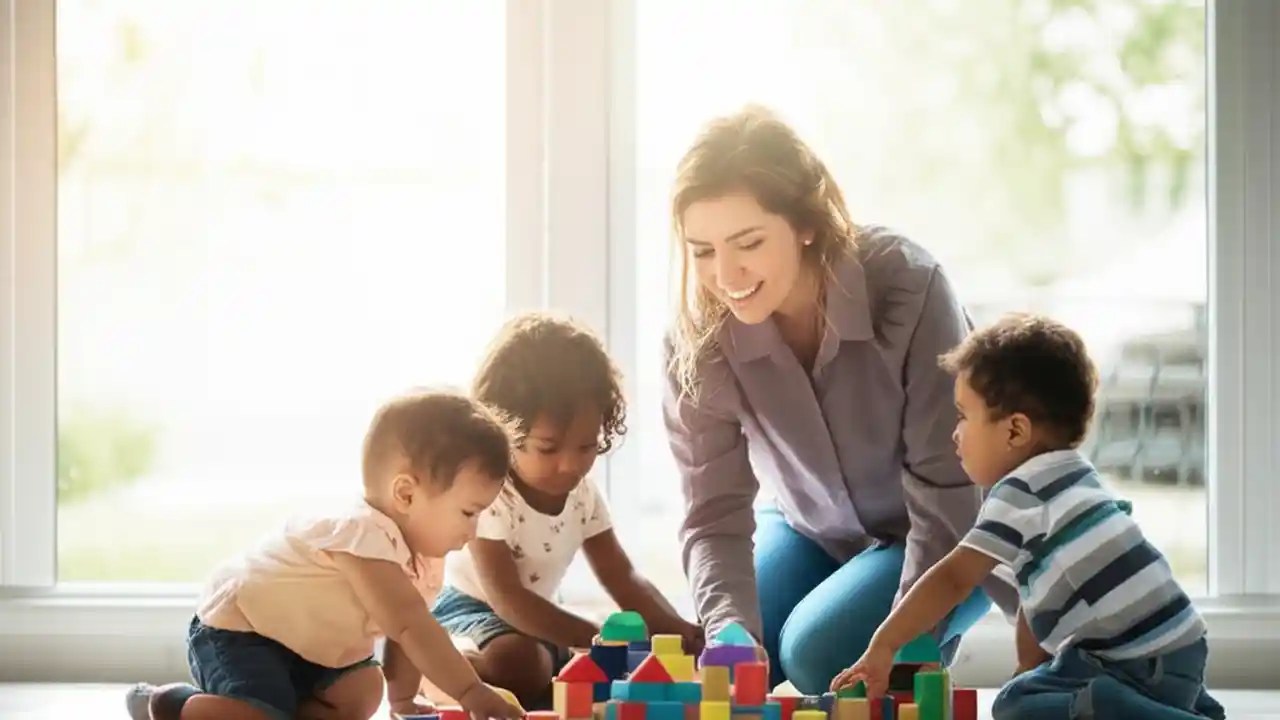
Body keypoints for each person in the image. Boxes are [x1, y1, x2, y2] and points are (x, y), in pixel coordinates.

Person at [663, 105, 1018, 693]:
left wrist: (899, 647)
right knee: (732, 653)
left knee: (814, 655)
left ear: (806, 223)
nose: (724, 274)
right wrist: (730, 632)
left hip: (945, 533)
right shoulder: (697, 336)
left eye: (747, 242)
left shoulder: (908, 285)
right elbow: (713, 513)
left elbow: (952, 494)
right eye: (702, 250)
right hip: (811, 528)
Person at [831, 313, 1224, 720]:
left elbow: (952, 578)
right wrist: (1028, 673)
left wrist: (885, 644)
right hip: (1180, 651)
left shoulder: (1019, 493)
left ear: (1015, 432)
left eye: (964, 415)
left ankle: (1117, 705)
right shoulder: (1074, 475)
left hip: (1132, 664)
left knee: (1014, 706)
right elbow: (1033, 600)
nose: (955, 433)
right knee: (1030, 688)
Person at [125, 389, 526, 720]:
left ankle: (283, 709)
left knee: (365, 691)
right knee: (259, 713)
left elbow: (407, 631)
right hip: (242, 632)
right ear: (405, 494)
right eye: (468, 512)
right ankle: (166, 704)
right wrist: (470, 690)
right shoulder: (361, 534)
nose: (472, 530)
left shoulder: (421, 557)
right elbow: (409, 626)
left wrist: (401, 700)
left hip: (310, 652)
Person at [426, 313, 702, 708]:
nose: (570, 465)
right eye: (549, 448)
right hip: (472, 610)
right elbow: (507, 598)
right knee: (520, 663)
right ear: (504, 430)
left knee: (587, 671)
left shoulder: (582, 495)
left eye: (586, 447)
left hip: (536, 617)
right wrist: (594, 638)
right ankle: (439, 668)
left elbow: (622, 577)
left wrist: (674, 629)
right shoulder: (492, 494)